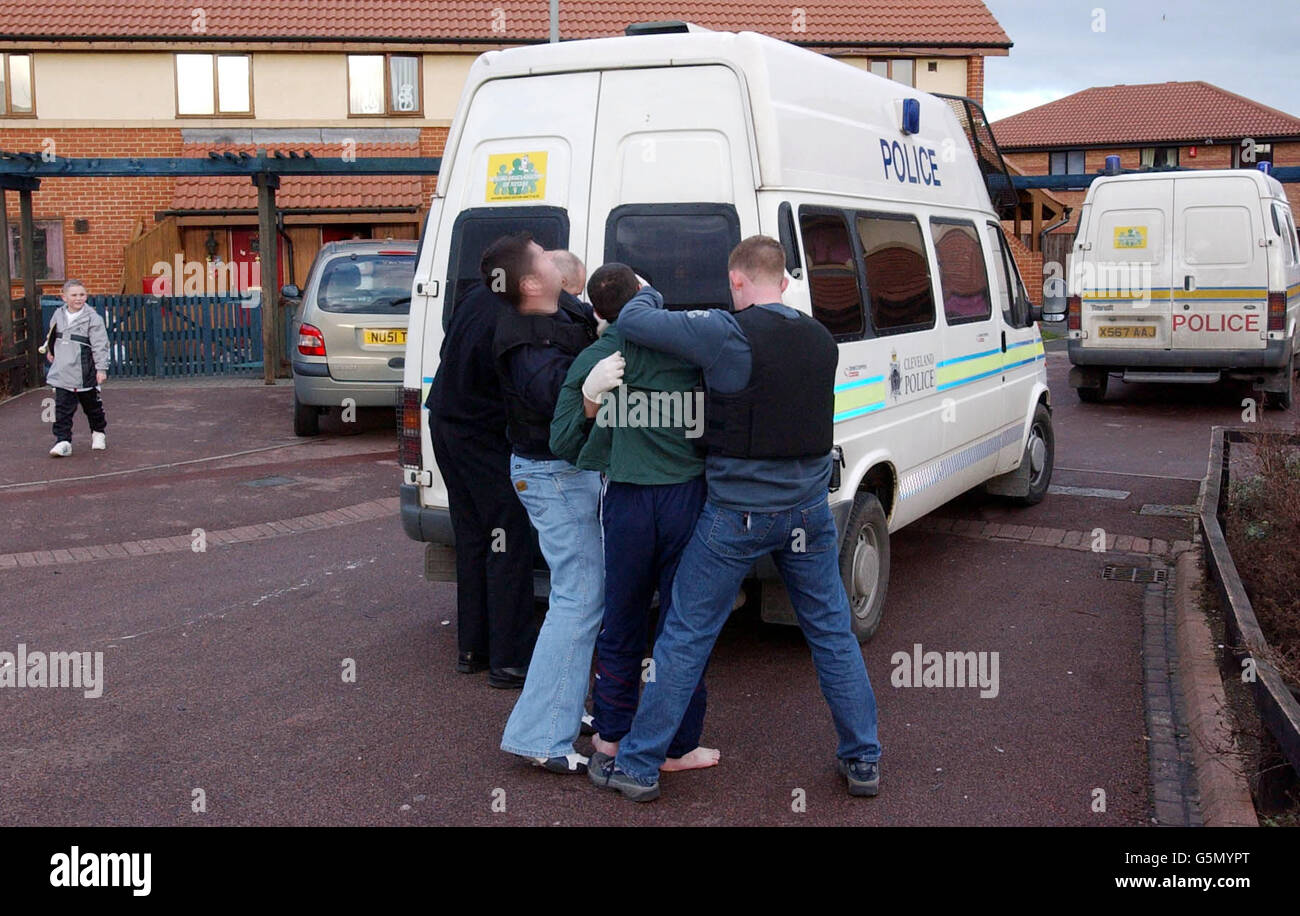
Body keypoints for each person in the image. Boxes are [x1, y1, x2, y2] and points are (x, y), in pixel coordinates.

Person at [587, 235, 882, 801]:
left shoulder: (727, 332)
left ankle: (640, 766)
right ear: (786, 282)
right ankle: (863, 758)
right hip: (809, 514)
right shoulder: (822, 339)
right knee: (832, 635)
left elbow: (635, 320)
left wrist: (649, 291)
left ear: (737, 282)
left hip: (737, 516)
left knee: (684, 635)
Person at [550, 262, 719, 774]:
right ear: (645, 296)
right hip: (684, 499)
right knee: (681, 624)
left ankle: (610, 736)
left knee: (621, 621)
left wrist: (590, 398)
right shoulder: (687, 345)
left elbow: (562, 442)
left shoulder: (599, 355)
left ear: (597, 312)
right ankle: (678, 744)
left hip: (625, 502)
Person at [490, 232, 619, 774]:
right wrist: (592, 387)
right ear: (529, 282)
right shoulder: (520, 343)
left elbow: (587, 316)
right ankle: (539, 735)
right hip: (552, 476)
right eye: (545, 258)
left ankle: (562, 709)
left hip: (564, 473)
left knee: (584, 597)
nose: (556, 261)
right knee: (578, 599)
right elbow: (557, 403)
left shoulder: (556, 310)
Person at [425, 271, 536, 688]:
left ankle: (473, 649)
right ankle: (510, 661)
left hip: (446, 423)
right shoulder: (513, 314)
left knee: (473, 536)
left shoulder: (474, 296)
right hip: (479, 435)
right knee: (508, 540)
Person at [45, 280, 109, 457]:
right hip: (62, 372)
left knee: (92, 407)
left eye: (82, 295)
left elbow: (100, 345)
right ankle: (63, 441)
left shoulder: (93, 319)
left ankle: (98, 432)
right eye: (74, 295)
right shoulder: (58, 315)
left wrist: (101, 369)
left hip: (84, 372)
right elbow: (51, 335)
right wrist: (50, 351)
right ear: (64, 297)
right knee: (62, 409)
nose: (78, 298)